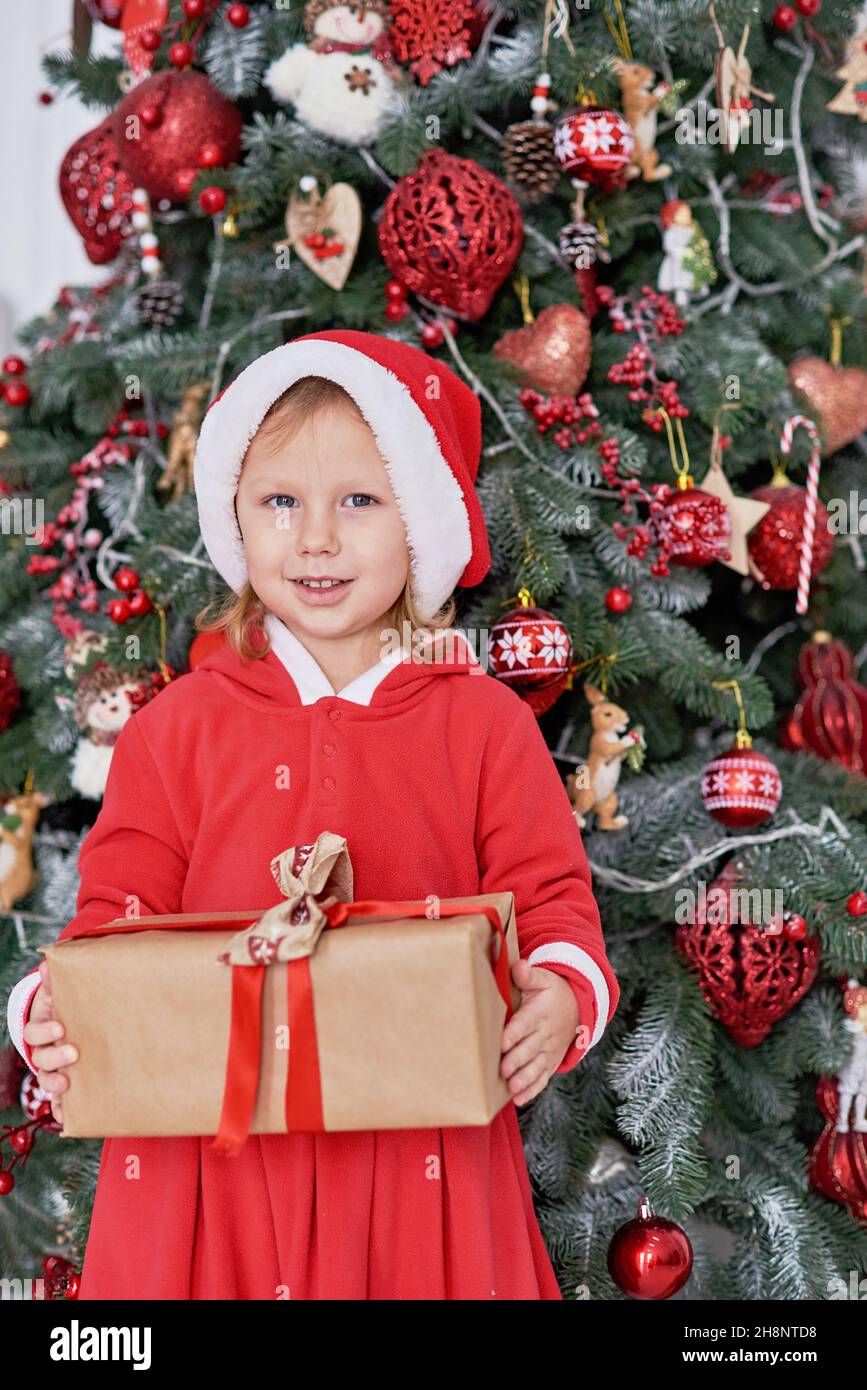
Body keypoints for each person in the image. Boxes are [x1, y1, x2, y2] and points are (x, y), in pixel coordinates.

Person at [7, 328, 619, 1300]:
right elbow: (112, 913)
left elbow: (550, 901)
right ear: (238, 518)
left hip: (421, 1156)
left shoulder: (484, 723)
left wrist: (556, 994)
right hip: (209, 1155)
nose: (317, 537)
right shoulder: (177, 730)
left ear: (419, 520)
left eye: (361, 502)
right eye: (281, 501)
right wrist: (54, 1009)